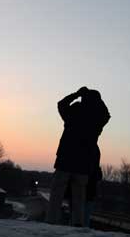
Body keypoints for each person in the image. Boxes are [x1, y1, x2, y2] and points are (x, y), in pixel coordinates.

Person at [47, 87, 110, 227]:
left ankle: (51, 221)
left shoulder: (74, 111)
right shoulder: (97, 118)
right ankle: (77, 224)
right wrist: (98, 100)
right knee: (79, 197)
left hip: (65, 159)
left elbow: (61, 104)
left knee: (57, 193)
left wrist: (76, 94)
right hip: (83, 163)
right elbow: (107, 114)